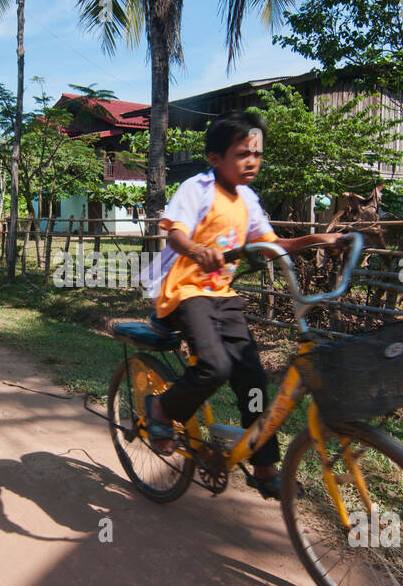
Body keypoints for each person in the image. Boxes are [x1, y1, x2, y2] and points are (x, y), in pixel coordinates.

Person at [139, 111, 343, 500]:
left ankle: (263, 465)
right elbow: (177, 237)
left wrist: (319, 238)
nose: (252, 162)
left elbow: (272, 244)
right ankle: (162, 409)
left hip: (223, 295)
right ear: (216, 158)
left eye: (258, 154)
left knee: (252, 377)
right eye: (242, 153)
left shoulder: (248, 198)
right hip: (185, 290)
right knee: (215, 365)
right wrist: (199, 250)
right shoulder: (196, 189)